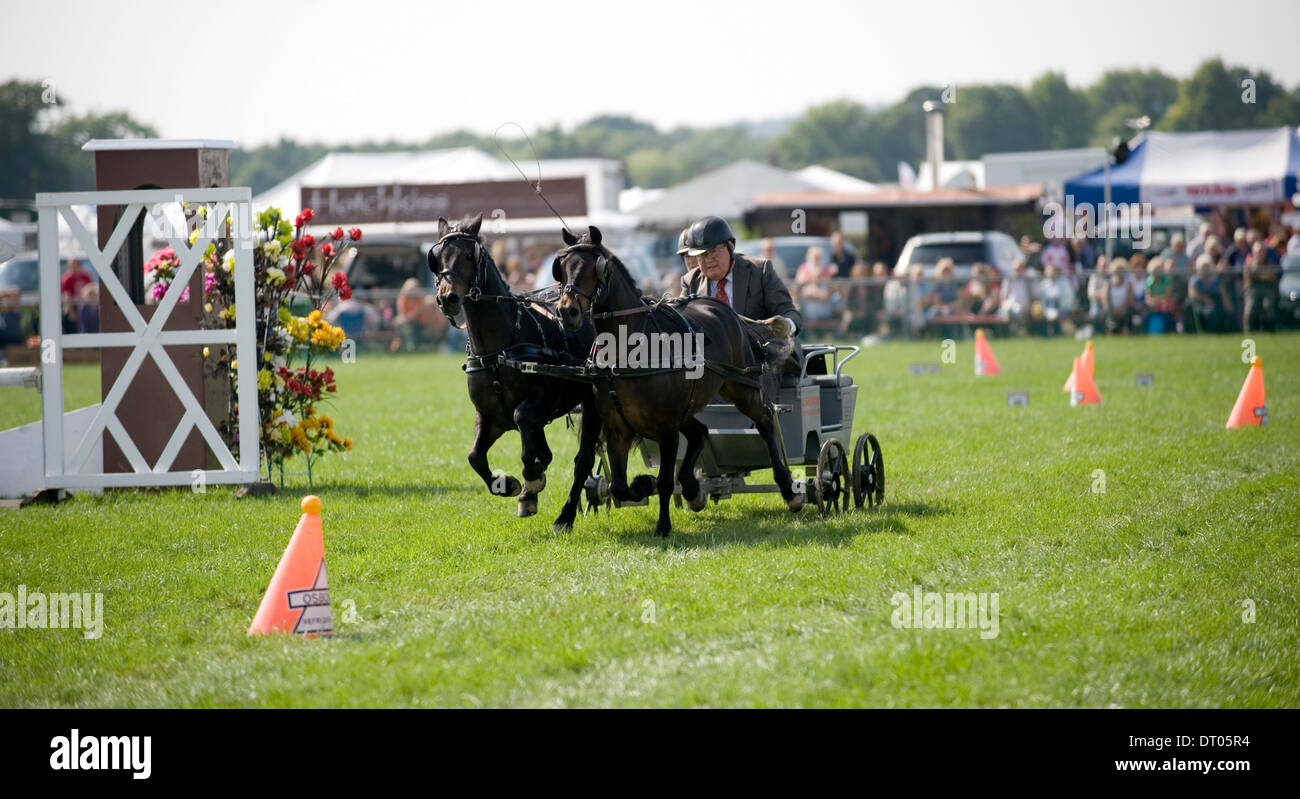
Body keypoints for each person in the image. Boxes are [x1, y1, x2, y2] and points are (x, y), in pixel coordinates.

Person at [678, 215, 803, 382]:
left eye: (713, 251)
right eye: (701, 255)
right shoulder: (690, 281)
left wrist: (786, 325)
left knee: (762, 366)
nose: (708, 260)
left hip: (760, 360)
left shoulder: (760, 271)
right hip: (714, 365)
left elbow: (789, 312)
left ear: (730, 247)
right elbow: (681, 327)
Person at [1242, 241, 1280, 333]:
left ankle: (1270, 330)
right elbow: (1247, 275)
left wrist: (1256, 274)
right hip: (1252, 289)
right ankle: (1248, 332)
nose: (1260, 254)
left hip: (1268, 288)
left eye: (1262, 251)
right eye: (1258, 252)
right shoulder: (1249, 263)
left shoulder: (1270, 263)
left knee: (1268, 307)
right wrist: (1261, 274)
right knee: (1250, 309)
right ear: (1253, 252)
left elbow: (1272, 276)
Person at [1187, 254, 1224, 333]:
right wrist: (1206, 300)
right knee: (1209, 312)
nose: (1205, 269)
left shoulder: (1215, 279)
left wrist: (1226, 302)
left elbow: (1221, 291)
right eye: (1203, 267)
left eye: (1207, 267)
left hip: (1215, 301)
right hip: (1200, 303)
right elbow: (1193, 294)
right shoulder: (1195, 280)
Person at [1038, 262, 1075, 337]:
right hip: (1048, 307)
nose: (1052, 273)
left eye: (1053, 271)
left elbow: (1067, 298)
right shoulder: (1043, 284)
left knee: (1059, 317)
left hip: (1061, 308)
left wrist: (1061, 309)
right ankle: (1045, 335)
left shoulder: (1063, 282)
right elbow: (1042, 299)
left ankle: (1058, 333)